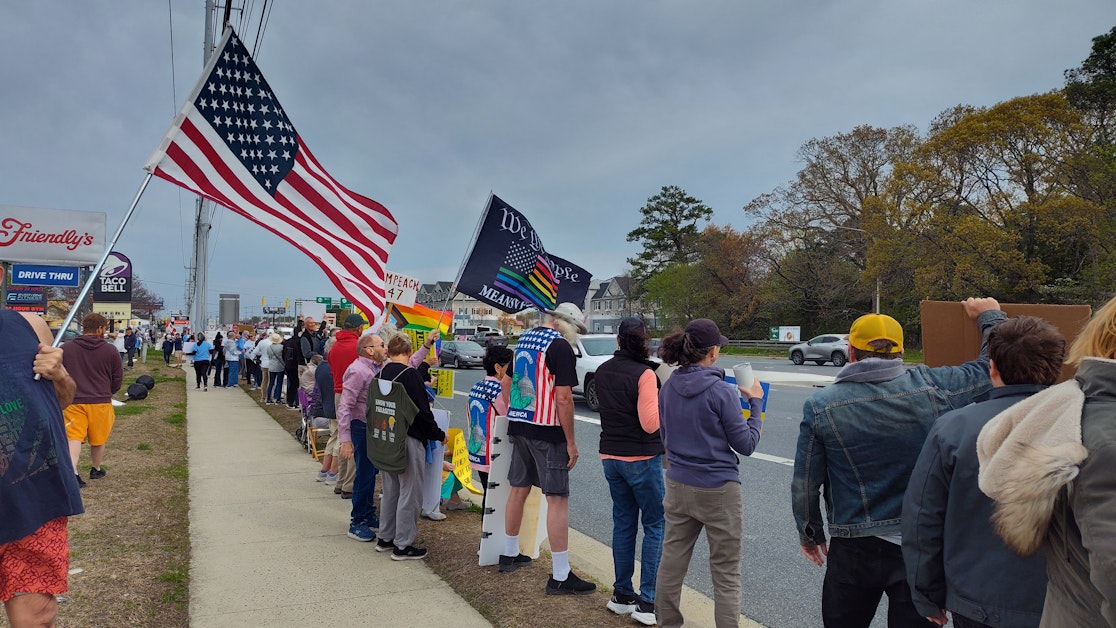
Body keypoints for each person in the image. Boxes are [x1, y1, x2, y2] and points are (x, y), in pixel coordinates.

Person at [792, 298, 1006, 628]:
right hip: (920, 548)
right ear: (901, 352)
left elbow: (806, 480)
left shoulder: (821, 405)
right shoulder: (936, 387)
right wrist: (989, 316)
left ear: (851, 352)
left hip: (853, 545)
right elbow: (992, 365)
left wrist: (811, 531)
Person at [902, 316, 1062, 628]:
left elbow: (923, 518)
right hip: (1061, 601)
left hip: (976, 603)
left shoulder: (953, 428)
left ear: (992, 368)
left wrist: (926, 594)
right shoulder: (1085, 426)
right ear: (1057, 369)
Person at [977, 295, 1116, 626]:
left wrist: (926, 591)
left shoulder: (1063, 420)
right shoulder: (1102, 438)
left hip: (991, 597)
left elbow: (926, 513)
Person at [655, 318, 764, 628]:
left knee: (672, 562)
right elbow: (746, 443)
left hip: (677, 483)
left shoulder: (669, 385)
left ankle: (667, 623)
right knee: (726, 573)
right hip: (719, 489)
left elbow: (664, 437)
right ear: (713, 352)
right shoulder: (722, 392)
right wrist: (755, 403)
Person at [502, 302, 596, 595]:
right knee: (557, 498)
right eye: (575, 330)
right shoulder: (559, 347)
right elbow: (564, 398)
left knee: (518, 489)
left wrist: (516, 410)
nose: (575, 336)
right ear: (564, 324)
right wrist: (571, 442)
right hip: (547, 431)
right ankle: (559, 574)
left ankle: (509, 553)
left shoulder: (525, 340)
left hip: (520, 425)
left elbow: (507, 382)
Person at [0, 311, 83, 628]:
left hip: (34, 500)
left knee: (37, 618)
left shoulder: (30, 327)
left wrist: (59, 375)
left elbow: (60, 399)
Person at [595, 317, 663, 626]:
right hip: (642, 457)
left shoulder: (603, 371)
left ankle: (622, 595)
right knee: (654, 525)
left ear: (619, 341)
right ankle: (647, 602)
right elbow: (650, 423)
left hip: (611, 455)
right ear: (644, 342)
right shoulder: (645, 374)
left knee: (623, 524)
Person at [374, 333, 447, 560]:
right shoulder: (411, 375)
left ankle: (385, 537)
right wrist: (438, 434)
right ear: (407, 351)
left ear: (390, 351)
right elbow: (422, 412)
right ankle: (403, 544)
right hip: (408, 438)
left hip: (387, 436)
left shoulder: (382, 373)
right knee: (410, 492)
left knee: (391, 491)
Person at [62, 313, 124, 486]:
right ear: (100, 329)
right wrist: (109, 391)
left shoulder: (67, 348)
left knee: (73, 437)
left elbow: (60, 374)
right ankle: (96, 468)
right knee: (98, 438)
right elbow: (117, 376)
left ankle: (72, 471)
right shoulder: (110, 350)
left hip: (73, 401)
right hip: (101, 401)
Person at [467, 345, 513, 514]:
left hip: (478, 452)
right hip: (496, 454)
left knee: (489, 494)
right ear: (498, 368)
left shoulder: (476, 387)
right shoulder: (501, 391)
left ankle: (485, 538)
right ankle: (491, 539)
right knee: (498, 500)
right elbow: (511, 417)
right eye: (510, 367)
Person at [312, 356, 338, 484]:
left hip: (328, 408)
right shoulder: (331, 367)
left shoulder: (321, 367)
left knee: (333, 437)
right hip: (336, 408)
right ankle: (333, 472)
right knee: (340, 439)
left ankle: (324, 471)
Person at [264, 332, 285, 404]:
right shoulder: (281, 347)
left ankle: (268, 398)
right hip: (280, 366)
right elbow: (282, 357)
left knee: (271, 382)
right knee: (279, 383)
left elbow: (269, 356)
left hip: (271, 366)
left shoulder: (269, 347)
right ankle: (278, 398)